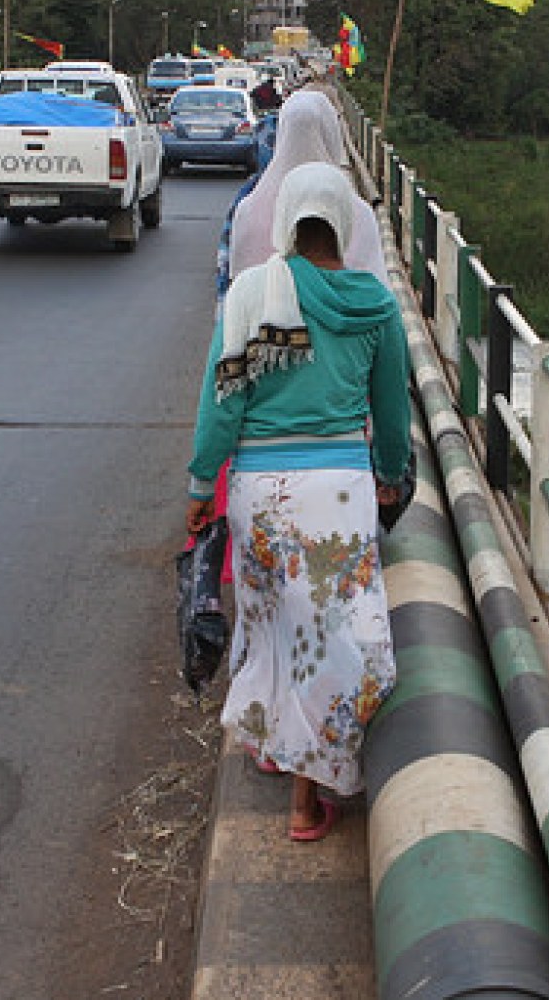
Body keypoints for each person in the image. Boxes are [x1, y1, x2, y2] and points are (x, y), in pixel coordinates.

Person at [186, 161, 411, 842]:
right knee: (342, 644)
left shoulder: (253, 293)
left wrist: (201, 488)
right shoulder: (374, 304)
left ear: (286, 220)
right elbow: (392, 414)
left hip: (261, 497)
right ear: (343, 222)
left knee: (273, 630)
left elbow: (220, 407)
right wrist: (392, 475)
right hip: (340, 496)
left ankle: (271, 744)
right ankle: (307, 794)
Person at [220, 89, 386, 304]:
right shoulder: (358, 214)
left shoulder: (247, 211)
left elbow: (233, 296)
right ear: (330, 134)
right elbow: (377, 298)